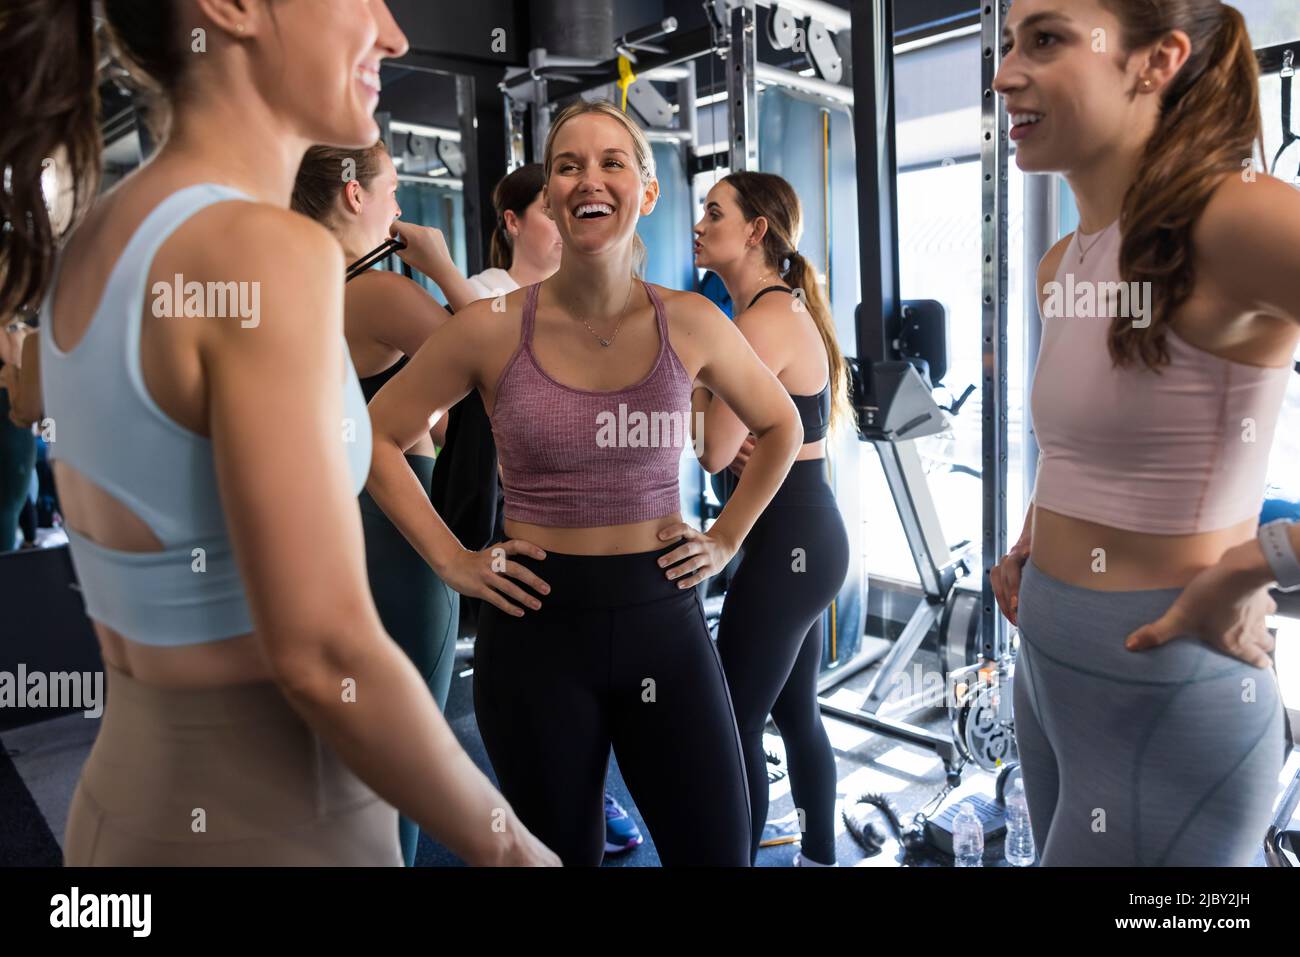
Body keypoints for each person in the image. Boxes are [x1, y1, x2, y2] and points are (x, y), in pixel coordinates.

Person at [3, 0, 555, 866]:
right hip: (276, 827)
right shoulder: (265, 252)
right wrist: (516, 851)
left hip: (122, 816)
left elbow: (36, 395)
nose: (393, 32)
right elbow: (323, 650)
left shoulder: (97, 241)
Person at [364, 98, 805, 866]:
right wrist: (451, 558)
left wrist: (727, 536)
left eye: (611, 162)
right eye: (567, 165)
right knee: (559, 855)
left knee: (718, 852)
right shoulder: (492, 326)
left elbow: (782, 426)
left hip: (663, 619)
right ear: (550, 192)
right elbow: (368, 434)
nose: (587, 180)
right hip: (535, 627)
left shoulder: (693, 321)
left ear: (647, 189)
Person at [991, 0, 1300, 865]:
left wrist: (1256, 562)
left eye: (1045, 40)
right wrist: (1033, 537)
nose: (1006, 72)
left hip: (1169, 690)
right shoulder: (1069, 258)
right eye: (1009, 42)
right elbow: (1084, 447)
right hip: (1052, 675)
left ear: (1154, 61)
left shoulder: (1237, 218)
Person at [291, 141, 477, 866]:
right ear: (351, 194)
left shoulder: (299, 296)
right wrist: (440, 267)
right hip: (399, 539)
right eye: (393, 188)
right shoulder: (381, 293)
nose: (401, 206)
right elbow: (513, 362)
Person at [691, 171, 853, 866]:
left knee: (729, 722)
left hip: (791, 541)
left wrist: (697, 388)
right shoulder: (782, 310)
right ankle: (820, 851)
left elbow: (712, 452)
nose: (700, 222)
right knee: (791, 713)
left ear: (755, 231)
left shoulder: (754, 323)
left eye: (715, 211)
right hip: (805, 537)